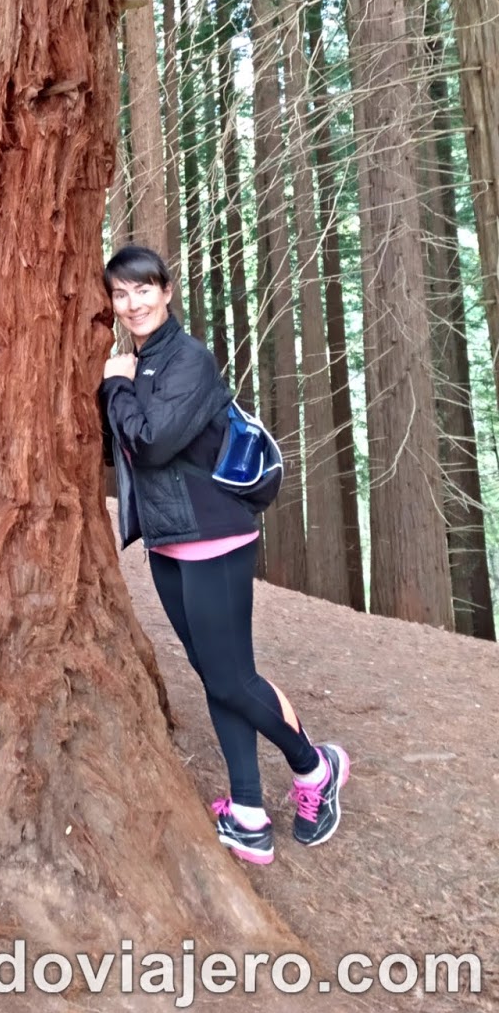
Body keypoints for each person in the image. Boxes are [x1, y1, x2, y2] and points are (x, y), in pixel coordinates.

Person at [97, 243, 348, 866]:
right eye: (121, 295)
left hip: (216, 538)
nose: (133, 304)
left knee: (233, 675)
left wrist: (116, 390)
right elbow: (116, 450)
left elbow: (151, 445)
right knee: (215, 674)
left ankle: (316, 769)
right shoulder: (138, 361)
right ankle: (248, 812)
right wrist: (118, 390)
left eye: (143, 290)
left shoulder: (189, 359)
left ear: (167, 290)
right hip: (167, 540)